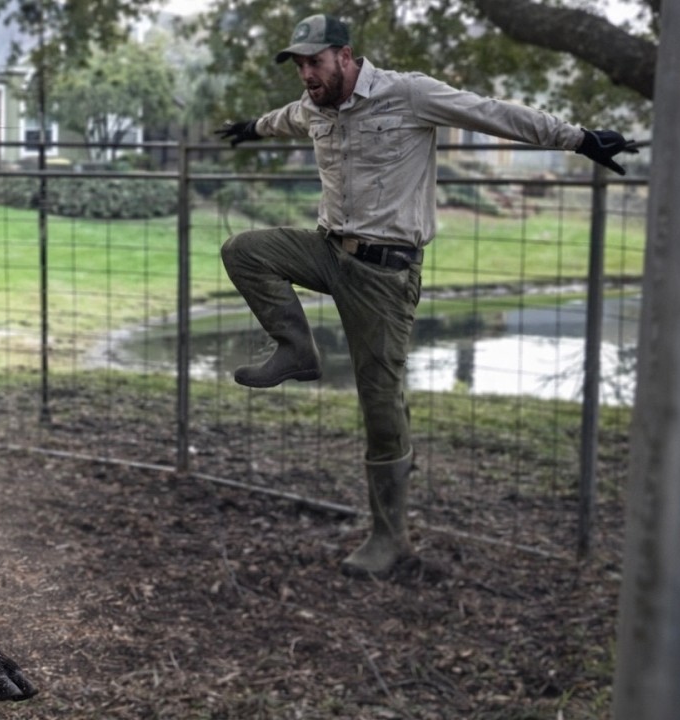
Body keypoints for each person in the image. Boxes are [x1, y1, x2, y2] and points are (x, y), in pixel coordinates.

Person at [215, 13, 637, 577]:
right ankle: (295, 349)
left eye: (314, 62)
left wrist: (579, 139)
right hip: (327, 249)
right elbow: (285, 119)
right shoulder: (314, 106)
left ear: (345, 55)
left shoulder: (408, 94)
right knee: (245, 250)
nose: (306, 76)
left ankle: (390, 539)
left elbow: (493, 114)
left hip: (384, 275)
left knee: (381, 405)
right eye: (298, 66)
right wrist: (251, 127)